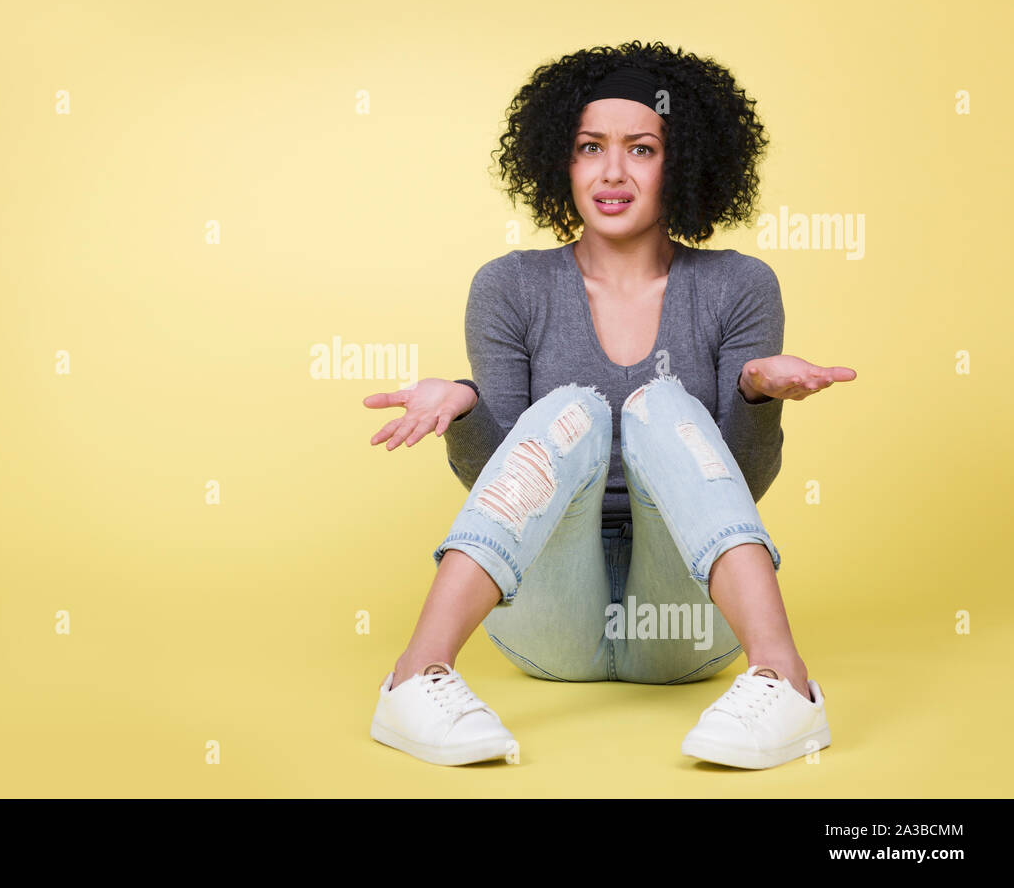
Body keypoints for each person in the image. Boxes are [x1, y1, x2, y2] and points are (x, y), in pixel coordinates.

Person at [362, 40, 855, 770]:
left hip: (685, 621)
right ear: (560, 161)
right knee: (575, 410)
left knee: (661, 406)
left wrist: (755, 396)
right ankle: (412, 679)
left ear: (681, 164)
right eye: (590, 147)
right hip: (547, 619)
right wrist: (464, 407)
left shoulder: (737, 287)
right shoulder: (510, 287)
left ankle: (785, 683)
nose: (613, 172)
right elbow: (499, 481)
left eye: (642, 149)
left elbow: (735, 488)